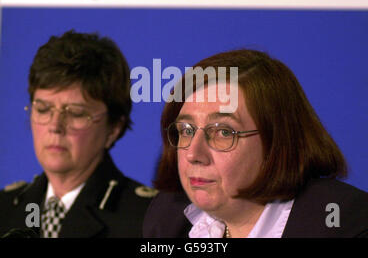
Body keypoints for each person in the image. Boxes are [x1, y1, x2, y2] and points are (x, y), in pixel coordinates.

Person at [143, 49, 368, 238]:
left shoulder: (345, 222)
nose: (193, 153)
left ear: (277, 143)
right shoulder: (168, 217)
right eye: (186, 130)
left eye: (223, 131)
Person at [0, 30, 157, 238]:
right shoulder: (5, 208)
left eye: (76, 113)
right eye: (43, 109)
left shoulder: (148, 220)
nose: (55, 126)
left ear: (113, 128)